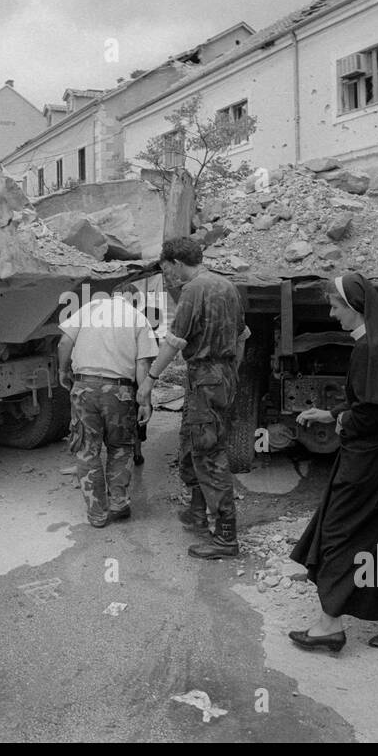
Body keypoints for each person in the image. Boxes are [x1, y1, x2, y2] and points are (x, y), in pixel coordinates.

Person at [288, 272, 378, 653]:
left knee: (340, 530)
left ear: (354, 306)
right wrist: (331, 414)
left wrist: (343, 419)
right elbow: (372, 403)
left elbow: (369, 416)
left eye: (335, 306)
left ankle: (329, 624)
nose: (332, 315)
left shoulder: (371, 348)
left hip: (374, 458)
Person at [139, 237, 249, 559]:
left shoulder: (193, 290)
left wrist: (149, 379)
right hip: (221, 376)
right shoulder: (227, 286)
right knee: (195, 442)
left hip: (205, 378)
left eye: (167, 269)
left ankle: (226, 537)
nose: (168, 276)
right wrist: (228, 370)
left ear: (176, 262)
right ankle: (197, 512)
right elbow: (243, 336)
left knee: (209, 452)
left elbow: (174, 342)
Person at [58, 290, 157, 527]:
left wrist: (62, 370)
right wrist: (145, 401)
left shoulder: (89, 309)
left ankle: (97, 514)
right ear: (134, 300)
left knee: (87, 449)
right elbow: (142, 364)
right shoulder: (138, 318)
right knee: (121, 448)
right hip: (119, 392)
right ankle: (119, 504)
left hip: (84, 387)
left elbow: (64, 341)